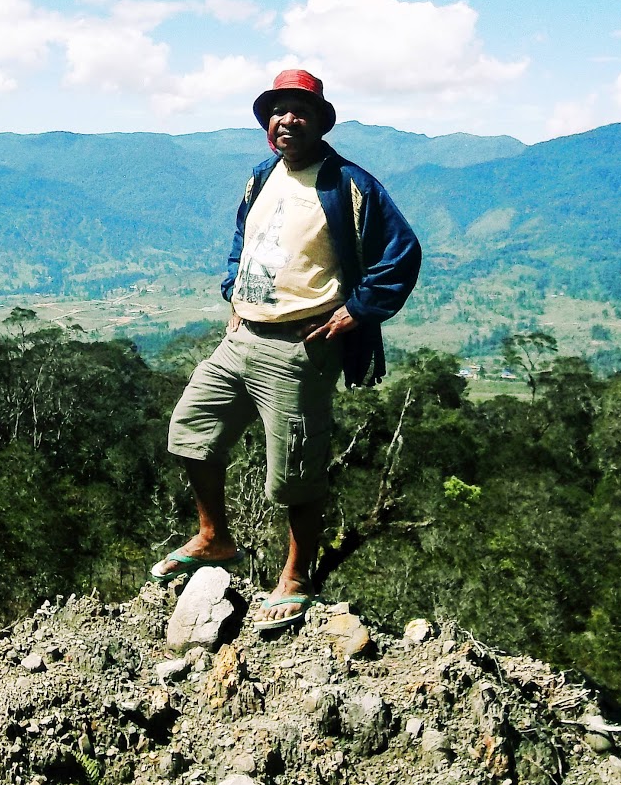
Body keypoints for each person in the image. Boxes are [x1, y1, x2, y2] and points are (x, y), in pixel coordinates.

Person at [151, 69, 421, 631]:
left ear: (321, 120)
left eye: (299, 110)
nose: (286, 120)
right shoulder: (261, 176)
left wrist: (357, 309)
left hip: (301, 345)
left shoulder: (350, 184)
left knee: (296, 470)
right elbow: (241, 243)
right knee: (189, 433)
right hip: (241, 335)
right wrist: (234, 288)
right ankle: (213, 537)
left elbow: (402, 252)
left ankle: (295, 579)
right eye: (276, 111)